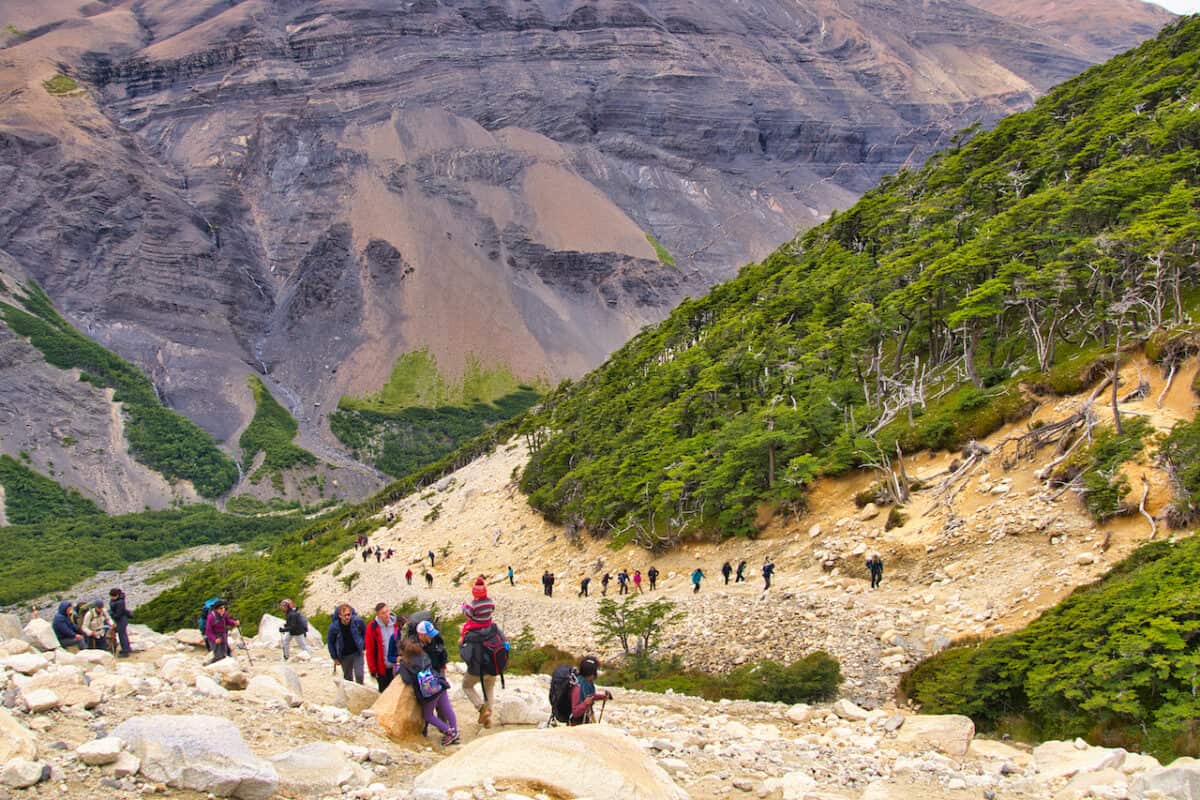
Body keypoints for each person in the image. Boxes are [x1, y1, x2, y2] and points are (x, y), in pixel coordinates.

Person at [395, 639, 459, 746]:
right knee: (447, 708)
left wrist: (397, 664)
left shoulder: (405, 663)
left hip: (428, 691)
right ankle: (455, 730)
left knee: (428, 715)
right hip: (438, 682)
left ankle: (450, 732)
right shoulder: (423, 654)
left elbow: (407, 679)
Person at [460, 618, 507, 729]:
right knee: (489, 689)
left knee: (466, 686)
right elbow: (504, 642)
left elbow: (465, 655)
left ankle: (481, 708)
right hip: (493, 667)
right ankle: (488, 716)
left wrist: (460, 645)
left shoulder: (471, 634)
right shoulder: (494, 628)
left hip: (476, 671)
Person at [327, 603, 367, 683]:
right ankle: (351, 693)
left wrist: (364, 645)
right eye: (344, 615)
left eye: (349, 614)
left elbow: (365, 633)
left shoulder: (358, 622)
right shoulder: (334, 627)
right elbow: (330, 642)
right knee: (348, 678)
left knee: (359, 675)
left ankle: (359, 691)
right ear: (339, 616)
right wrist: (334, 657)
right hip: (344, 656)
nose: (347, 617)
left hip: (357, 653)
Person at [366, 602, 400, 693]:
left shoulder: (396, 624)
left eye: (387, 611)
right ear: (378, 615)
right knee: (384, 691)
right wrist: (372, 669)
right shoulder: (372, 627)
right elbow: (370, 649)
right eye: (383, 613)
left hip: (396, 664)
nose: (386, 615)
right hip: (382, 666)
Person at [568, 656, 612, 725]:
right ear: (591, 673)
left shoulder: (587, 682)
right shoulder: (577, 686)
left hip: (585, 717)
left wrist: (602, 697)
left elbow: (590, 696)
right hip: (577, 722)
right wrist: (586, 703)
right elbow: (575, 712)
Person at [108, 588, 132, 657]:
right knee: (123, 634)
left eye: (113, 596)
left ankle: (125, 652)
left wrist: (111, 614)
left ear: (117, 595)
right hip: (120, 619)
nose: (112, 597)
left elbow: (118, 614)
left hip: (121, 620)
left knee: (122, 636)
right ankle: (127, 648)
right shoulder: (116, 600)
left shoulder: (120, 602)